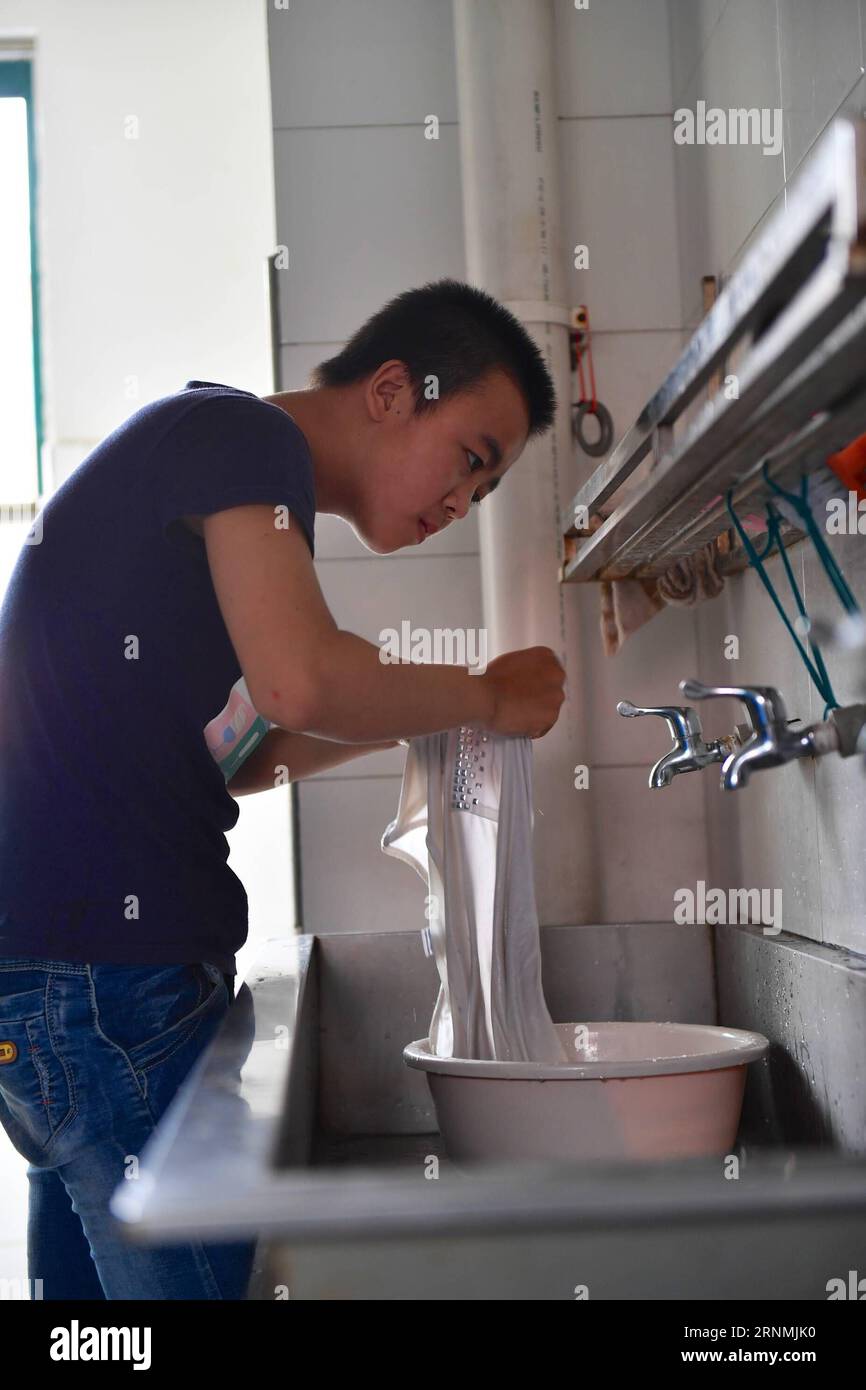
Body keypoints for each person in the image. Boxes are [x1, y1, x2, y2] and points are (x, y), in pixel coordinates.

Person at [0, 277, 566, 1299]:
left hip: (60, 984)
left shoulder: (211, 470)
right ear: (392, 391)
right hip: (102, 985)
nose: (459, 504)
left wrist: (435, 712)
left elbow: (247, 754)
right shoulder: (241, 439)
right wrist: (482, 692)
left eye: (481, 494)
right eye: (469, 461)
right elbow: (300, 680)